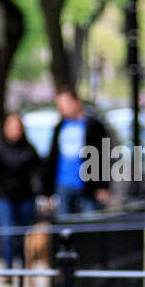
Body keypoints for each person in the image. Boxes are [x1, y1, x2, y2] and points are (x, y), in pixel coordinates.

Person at [0, 112, 42, 269]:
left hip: (25, 198)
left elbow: (38, 173)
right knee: (7, 234)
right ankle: (8, 268)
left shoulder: (29, 149)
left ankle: (24, 268)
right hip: (5, 198)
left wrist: (41, 194)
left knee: (24, 236)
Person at [43, 87, 112, 215]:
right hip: (63, 184)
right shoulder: (59, 127)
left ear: (76, 102)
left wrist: (103, 186)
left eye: (65, 103)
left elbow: (104, 156)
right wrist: (47, 191)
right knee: (65, 227)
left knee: (89, 226)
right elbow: (52, 158)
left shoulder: (94, 126)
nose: (62, 108)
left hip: (88, 185)